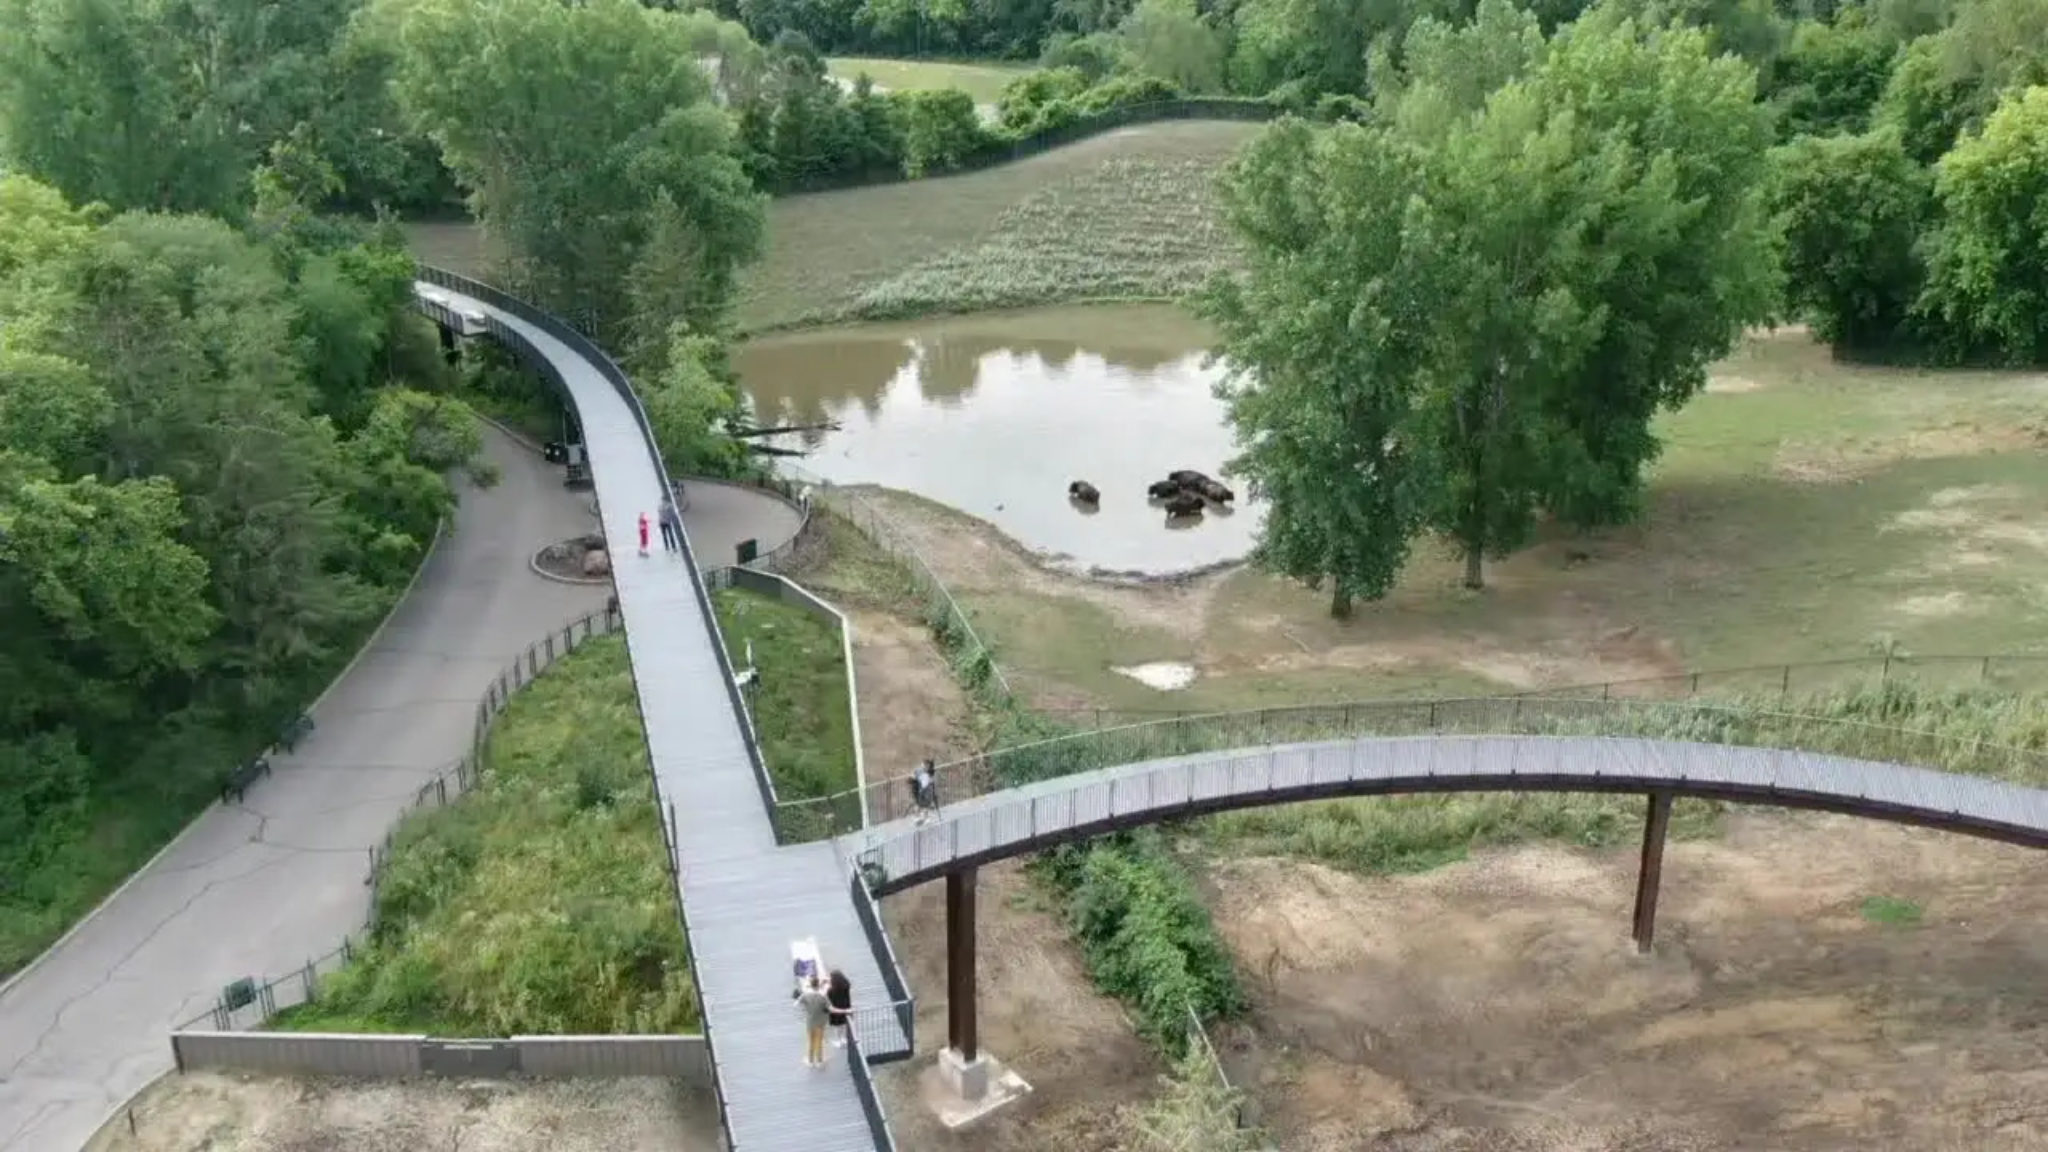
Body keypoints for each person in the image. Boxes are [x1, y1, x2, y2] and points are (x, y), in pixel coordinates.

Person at [796, 974, 831, 1067]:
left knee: (811, 1041)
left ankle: (810, 1061)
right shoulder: (822, 997)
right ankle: (820, 1060)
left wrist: (805, 1007)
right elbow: (829, 1008)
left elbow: (796, 1003)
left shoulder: (806, 996)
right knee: (819, 1041)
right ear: (818, 985)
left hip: (810, 1022)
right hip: (820, 1022)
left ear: (811, 985)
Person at [826, 969, 852, 1048]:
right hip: (846, 1006)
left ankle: (839, 1041)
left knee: (837, 1026)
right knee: (844, 1024)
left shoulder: (831, 990)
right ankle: (844, 1039)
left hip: (836, 1009)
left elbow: (828, 997)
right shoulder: (846, 985)